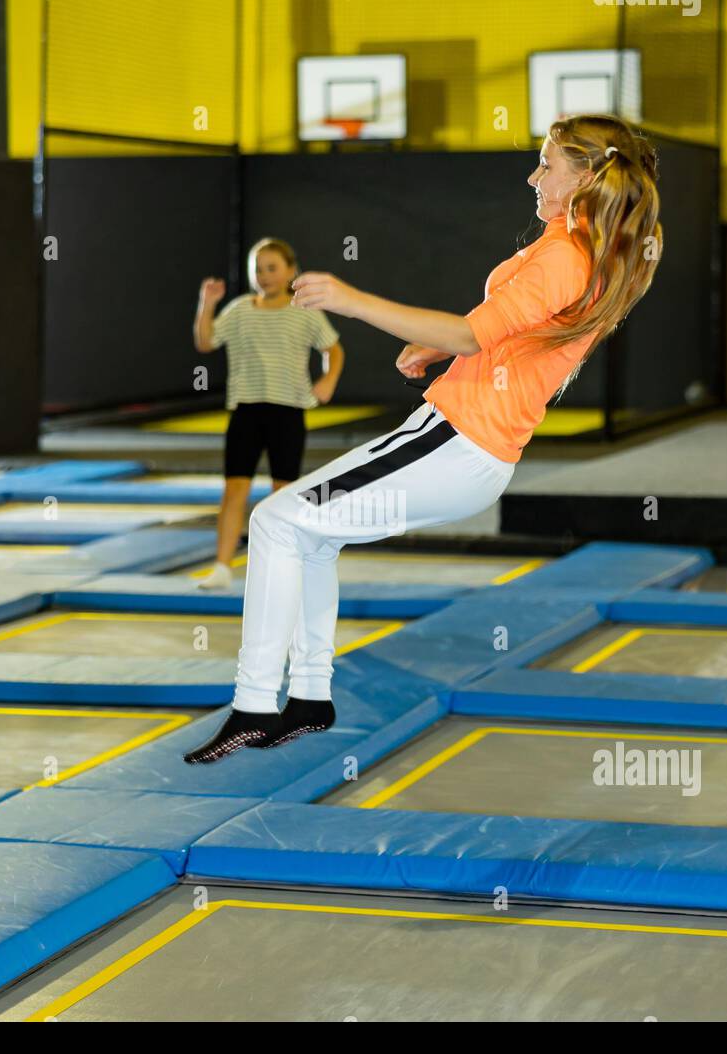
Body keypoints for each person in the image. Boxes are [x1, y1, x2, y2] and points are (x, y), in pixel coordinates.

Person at [185, 114, 662, 763]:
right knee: (310, 532)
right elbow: (500, 338)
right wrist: (437, 352)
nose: (533, 174)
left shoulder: (565, 257)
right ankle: (308, 697)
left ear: (585, 179)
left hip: (458, 443)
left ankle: (253, 705)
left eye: (546, 164)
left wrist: (352, 300)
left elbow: (474, 335)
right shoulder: (573, 246)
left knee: (274, 521)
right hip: (457, 439)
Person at [194, 238, 345, 590]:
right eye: (258, 270)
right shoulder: (240, 309)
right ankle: (221, 565)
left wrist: (328, 380)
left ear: (292, 271)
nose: (264, 275)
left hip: (287, 411)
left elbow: (333, 348)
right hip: (246, 410)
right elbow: (205, 342)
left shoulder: (304, 310)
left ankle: (282, 567)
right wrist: (207, 304)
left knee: (284, 491)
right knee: (234, 489)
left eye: (272, 268)